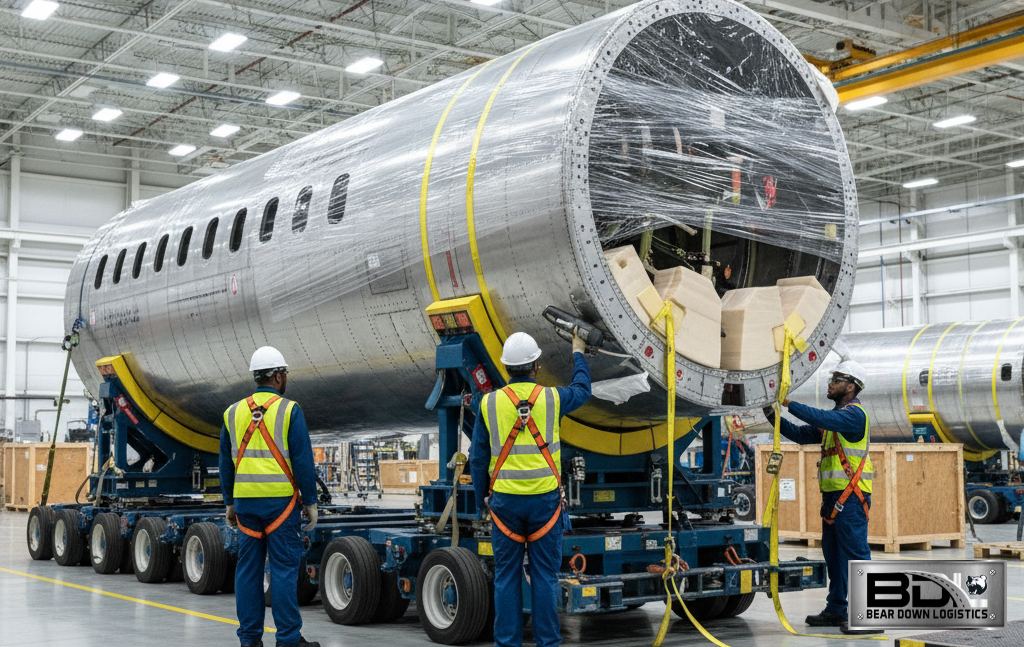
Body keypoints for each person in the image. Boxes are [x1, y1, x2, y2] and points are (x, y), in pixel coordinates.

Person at [470, 331, 592, 647]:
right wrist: (578, 353)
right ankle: (547, 643)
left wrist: (483, 498)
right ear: (536, 365)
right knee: (544, 578)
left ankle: (507, 643)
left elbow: (478, 456)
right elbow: (582, 390)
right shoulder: (552, 398)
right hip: (544, 505)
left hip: (505, 506)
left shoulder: (488, 404)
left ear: (506, 368)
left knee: (506, 578)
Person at [763, 359, 876, 635]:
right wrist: (770, 413)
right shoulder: (834, 421)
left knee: (855, 556)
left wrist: (789, 402)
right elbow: (801, 435)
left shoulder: (854, 416)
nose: (830, 383)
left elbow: (821, 419)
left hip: (851, 499)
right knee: (834, 557)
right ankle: (837, 608)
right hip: (833, 500)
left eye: (836, 379)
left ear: (851, 386)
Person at [220, 346, 320, 647]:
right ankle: (288, 640)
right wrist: (311, 501)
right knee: (283, 570)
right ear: (277, 376)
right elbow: (303, 461)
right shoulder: (290, 410)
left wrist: (229, 502)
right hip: (280, 504)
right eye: (284, 374)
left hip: (246, 505)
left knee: (248, 572)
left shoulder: (232, 412)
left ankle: (249, 640)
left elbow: (225, 462)